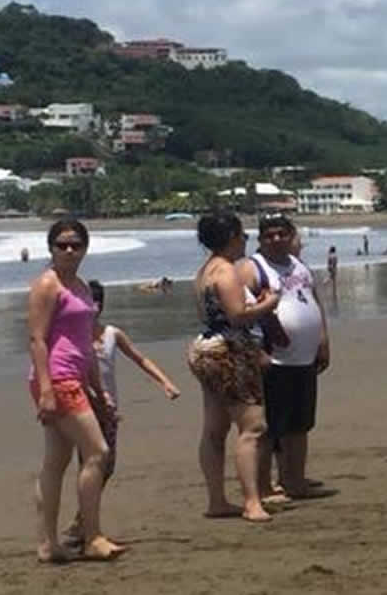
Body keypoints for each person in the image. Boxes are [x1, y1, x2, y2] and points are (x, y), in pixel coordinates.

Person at [24, 219, 124, 563]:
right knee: (97, 452)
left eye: (75, 244)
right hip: (57, 378)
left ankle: (48, 544)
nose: (69, 250)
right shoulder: (47, 285)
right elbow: (37, 339)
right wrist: (47, 391)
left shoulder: (79, 285)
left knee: (55, 462)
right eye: (61, 245)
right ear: (50, 248)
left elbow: (85, 342)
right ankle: (92, 535)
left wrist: (98, 390)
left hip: (76, 378)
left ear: (85, 247)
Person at [63, 280, 180, 549]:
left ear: (100, 306)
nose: (89, 308)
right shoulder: (73, 338)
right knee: (90, 463)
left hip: (109, 411)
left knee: (107, 466)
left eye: (94, 303)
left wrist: (165, 382)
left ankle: (82, 520)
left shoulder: (112, 334)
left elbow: (140, 359)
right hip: (83, 409)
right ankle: (84, 525)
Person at [187, 212, 280, 523]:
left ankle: (217, 499)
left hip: (205, 348)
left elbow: (217, 314)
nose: (245, 241)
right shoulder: (226, 272)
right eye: (243, 236)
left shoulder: (203, 272)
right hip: (228, 350)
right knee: (252, 427)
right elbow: (238, 315)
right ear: (231, 238)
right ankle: (252, 501)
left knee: (214, 429)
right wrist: (269, 303)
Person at [247, 216, 336, 502]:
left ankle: (294, 480)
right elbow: (238, 311)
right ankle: (263, 487)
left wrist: (323, 338)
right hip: (275, 360)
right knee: (271, 428)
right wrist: (256, 350)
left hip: (305, 357)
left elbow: (314, 301)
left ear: (290, 236)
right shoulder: (253, 268)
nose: (276, 239)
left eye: (281, 234)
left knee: (300, 424)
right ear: (260, 240)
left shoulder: (299, 265)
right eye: (269, 235)